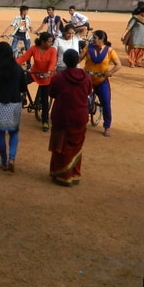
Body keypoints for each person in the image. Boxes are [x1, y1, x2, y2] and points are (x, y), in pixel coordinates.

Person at [48, 49, 93, 187]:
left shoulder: (59, 77)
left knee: (61, 144)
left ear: (65, 61)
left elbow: (52, 93)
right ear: (77, 60)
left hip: (62, 115)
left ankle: (61, 173)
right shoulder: (86, 77)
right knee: (76, 144)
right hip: (80, 115)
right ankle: (73, 174)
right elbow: (88, 91)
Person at [0, 42, 28, 173]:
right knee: (14, 132)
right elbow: (23, 88)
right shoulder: (18, 68)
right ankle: (12, 158)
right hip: (14, 103)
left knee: (0, 134)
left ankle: (3, 161)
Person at [82, 30, 122, 137]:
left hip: (101, 80)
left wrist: (110, 72)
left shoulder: (109, 51)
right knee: (81, 101)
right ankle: (80, 122)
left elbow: (118, 64)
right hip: (87, 80)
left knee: (106, 102)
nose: (92, 39)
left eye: (94, 38)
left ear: (101, 39)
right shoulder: (87, 48)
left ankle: (107, 126)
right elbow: (77, 59)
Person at [16, 32, 58, 132]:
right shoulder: (34, 49)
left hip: (47, 76)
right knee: (19, 82)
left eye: (51, 42)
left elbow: (52, 62)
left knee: (44, 100)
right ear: (42, 42)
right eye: (49, 42)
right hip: (34, 73)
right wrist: (12, 63)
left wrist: (48, 72)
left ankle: (45, 121)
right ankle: (23, 96)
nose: (51, 44)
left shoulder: (52, 50)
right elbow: (23, 58)